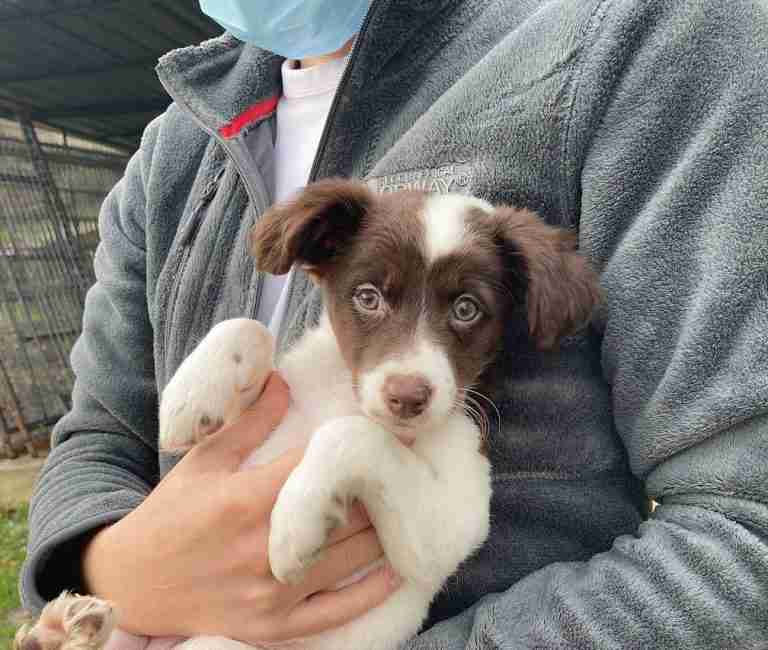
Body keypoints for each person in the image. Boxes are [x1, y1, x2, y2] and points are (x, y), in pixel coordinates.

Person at [20, 0, 768, 647]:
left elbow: (745, 532)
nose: (410, 359)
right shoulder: (171, 151)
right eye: (374, 298)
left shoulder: (635, 34)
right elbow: (101, 435)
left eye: (465, 308)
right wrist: (115, 569)